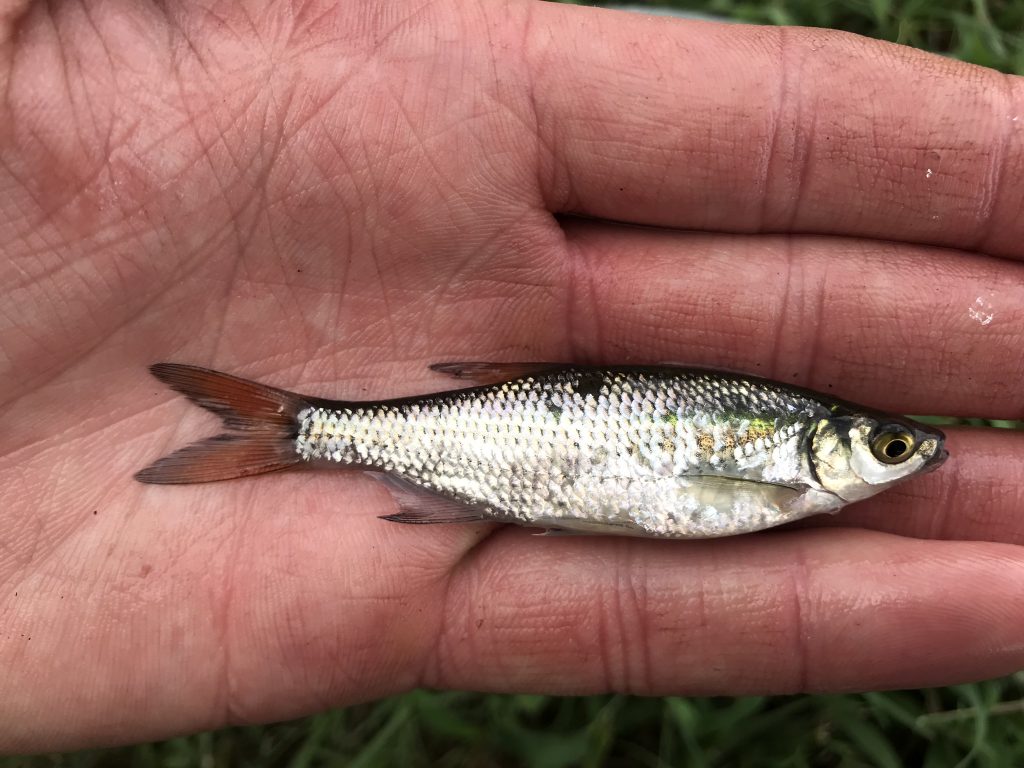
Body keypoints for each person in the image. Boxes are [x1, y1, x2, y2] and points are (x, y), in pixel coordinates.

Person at [1, 0, 1022, 753]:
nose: (909, 456)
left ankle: (299, 433)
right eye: (891, 447)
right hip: (509, 437)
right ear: (826, 447)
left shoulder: (787, 462)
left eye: (895, 448)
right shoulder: (782, 459)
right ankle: (301, 432)